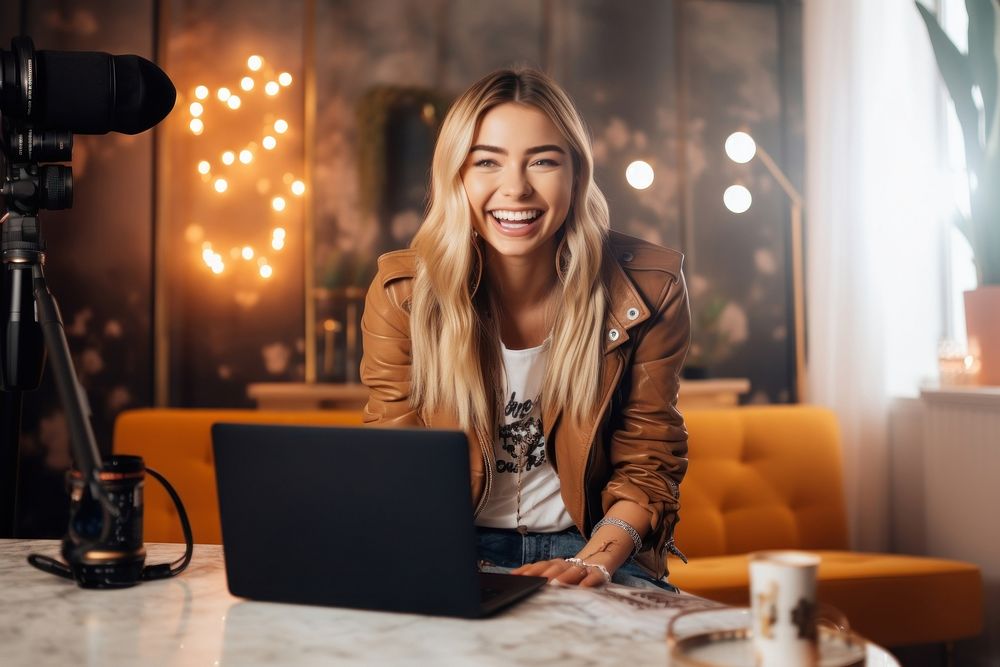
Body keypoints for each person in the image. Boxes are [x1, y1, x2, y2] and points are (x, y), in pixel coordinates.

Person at [360, 67, 690, 590]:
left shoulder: (648, 289)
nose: (515, 188)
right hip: (452, 543)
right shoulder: (403, 293)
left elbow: (649, 462)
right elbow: (394, 459)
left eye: (542, 161)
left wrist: (594, 562)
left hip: (592, 542)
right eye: (487, 161)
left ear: (576, 174)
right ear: (456, 176)